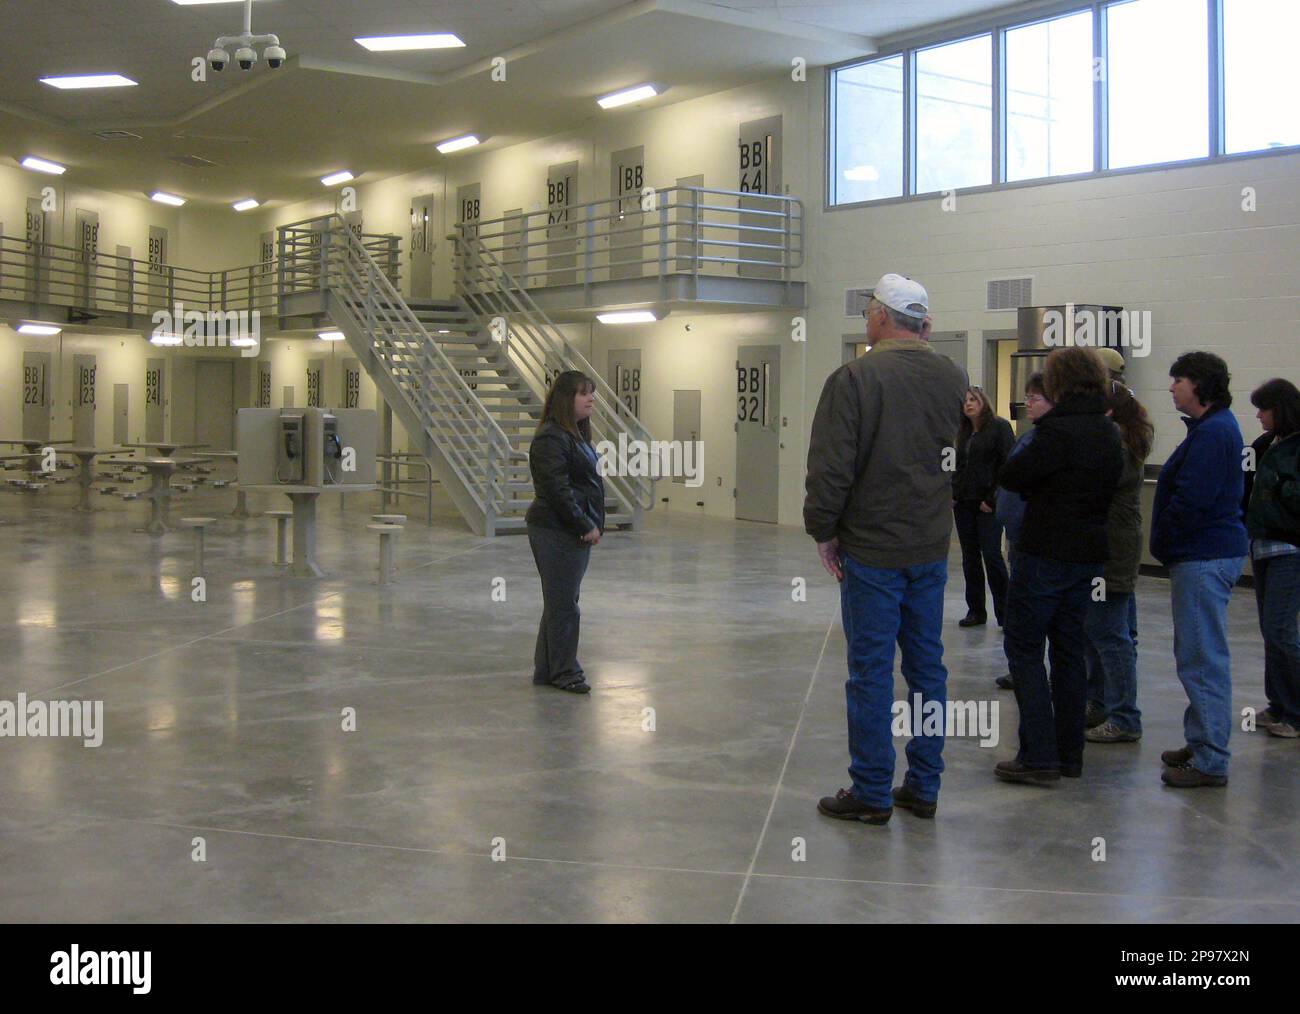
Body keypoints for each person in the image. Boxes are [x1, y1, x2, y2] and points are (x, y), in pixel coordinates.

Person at [805, 273, 966, 824]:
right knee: (927, 667)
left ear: (879, 317)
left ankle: (872, 791)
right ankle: (924, 785)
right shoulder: (953, 376)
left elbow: (832, 466)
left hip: (874, 550)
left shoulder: (853, 377)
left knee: (870, 672)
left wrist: (824, 530)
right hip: (929, 544)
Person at [994, 348, 1123, 784]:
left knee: (1025, 651)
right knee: (1069, 652)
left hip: (1043, 550)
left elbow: (1013, 476)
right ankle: (1070, 754)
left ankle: (1039, 755)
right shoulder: (1108, 431)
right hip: (1086, 554)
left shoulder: (1054, 431)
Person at [1151, 352, 1249, 787]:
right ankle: (1201, 739)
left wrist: (1167, 539)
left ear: (1200, 386)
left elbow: (1192, 501)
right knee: (1197, 653)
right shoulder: (1212, 429)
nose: (1172, 387)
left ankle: (1210, 758)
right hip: (1204, 554)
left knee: (1202, 658)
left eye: (1179, 380)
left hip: (1203, 556)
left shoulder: (1213, 434)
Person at [525, 370, 605, 694]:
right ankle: (565, 672)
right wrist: (584, 524)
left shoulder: (574, 436)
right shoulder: (551, 438)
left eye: (591, 393)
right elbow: (557, 490)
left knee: (560, 602)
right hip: (555, 531)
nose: (591, 399)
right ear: (565, 399)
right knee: (564, 606)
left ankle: (547, 669)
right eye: (584, 393)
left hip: (567, 531)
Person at [1084, 382, 1154, 744]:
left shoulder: (1119, 447)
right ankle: (1100, 702)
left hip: (1112, 551)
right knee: (1099, 632)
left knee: (1110, 634)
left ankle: (1125, 715)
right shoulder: (1122, 442)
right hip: (1110, 547)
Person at [1243, 378, 1300, 739]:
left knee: (1281, 629)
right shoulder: (1264, 445)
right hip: (1263, 546)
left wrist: (1281, 485)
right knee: (1270, 629)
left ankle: (1295, 711)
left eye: (1264, 409)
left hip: (1290, 549)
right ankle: (1277, 703)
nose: (1260, 416)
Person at [992, 372, 1053, 690]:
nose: (1027, 403)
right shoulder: (1030, 436)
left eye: (1034, 398)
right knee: (1022, 616)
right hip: (1020, 540)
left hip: (1034, 544)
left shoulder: (1045, 440)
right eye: (1026, 397)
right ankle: (1022, 670)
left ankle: (1032, 674)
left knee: (1030, 616)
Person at [952, 387, 1014, 628]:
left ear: (983, 401)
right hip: (965, 502)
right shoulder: (964, 433)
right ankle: (975, 610)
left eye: (972, 399)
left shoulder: (999, 427)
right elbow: (957, 465)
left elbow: (1007, 464)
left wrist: (993, 498)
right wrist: (954, 493)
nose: (968, 404)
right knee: (970, 557)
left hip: (987, 503)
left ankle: (1005, 611)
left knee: (991, 554)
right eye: (965, 400)